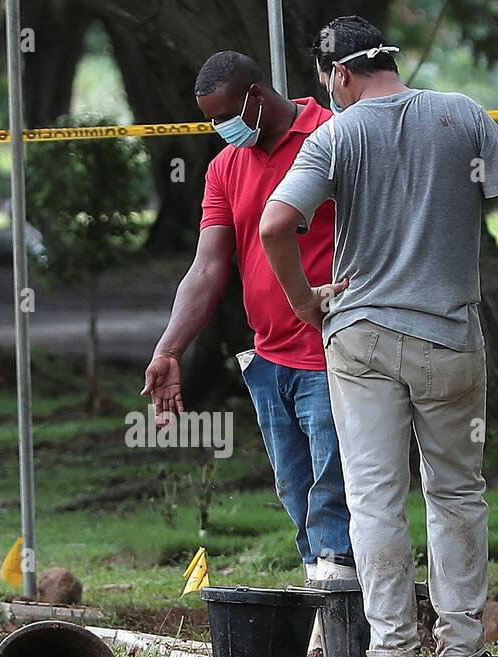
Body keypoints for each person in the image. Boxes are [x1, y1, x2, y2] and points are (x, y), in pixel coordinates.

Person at [259, 15, 498, 657]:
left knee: (374, 496)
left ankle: (392, 653)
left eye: (327, 83)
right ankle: (462, 652)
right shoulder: (461, 116)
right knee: (457, 492)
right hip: (449, 340)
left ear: (340, 74)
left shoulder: (334, 135)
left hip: (362, 336)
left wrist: (304, 302)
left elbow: (275, 225)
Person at [142, 51, 356, 611]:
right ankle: (329, 612)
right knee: (294, 492)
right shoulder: (226, 166)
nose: (222, 131)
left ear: (258, 99)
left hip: (334, 352)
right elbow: (208, 268)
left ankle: (349, 627)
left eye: (227, 116)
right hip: (270, 361)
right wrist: (170, 349)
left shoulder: (333, 136)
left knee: (333, 495)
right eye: (212, 121)